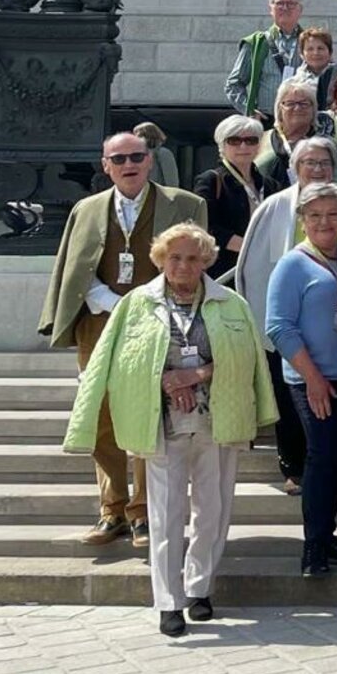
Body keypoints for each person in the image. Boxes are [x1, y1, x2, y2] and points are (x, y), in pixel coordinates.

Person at [63, 223, 275, 636]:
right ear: (160, 259)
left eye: (193, 258)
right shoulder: (136, 304)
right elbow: (117, 361)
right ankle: (168, 601)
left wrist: (196, 373)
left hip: (218, 420)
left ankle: (199, 589)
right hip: (161, 424)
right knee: (164, 515)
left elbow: (247, 360)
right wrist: (164, 379)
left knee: (212, 511)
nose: (183, 265)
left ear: (207, 262)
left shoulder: (230, 303)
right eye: (175, 257)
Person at [39, 132, 208, 545]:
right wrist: (105, 298)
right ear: (106, 165)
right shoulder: (87, 209)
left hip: (158, 322)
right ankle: (111, 510)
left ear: (150, 160)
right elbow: (73, 269)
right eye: (119, 158)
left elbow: (194, 265)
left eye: (136, 156)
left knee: (148, 414)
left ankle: (144, 514)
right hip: (97, 324)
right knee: (102, 416)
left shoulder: (186, 204)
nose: (128, 164)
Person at [263, 183, 337, 579]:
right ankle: (314, 547)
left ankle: (328, 531)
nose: (325, 222)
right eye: (315, 215)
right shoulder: (292, 264)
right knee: (323, 456)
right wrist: (314, 379)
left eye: (333, 214)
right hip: (312, 380)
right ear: (303, 221)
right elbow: (279, 327)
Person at [192, 114, 271, 281]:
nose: (243, 146)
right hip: (224, 272)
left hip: (264, 270)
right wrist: (249, 248)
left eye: (251, 140)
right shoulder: (211, 181)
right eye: (234, 140)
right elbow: (205, 226)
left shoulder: (269, 184)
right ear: (222, 145)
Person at [224, 0, 306, 120]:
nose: (285, 8)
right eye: (280, 3)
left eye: (291, 4)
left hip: (302, 120)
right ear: (271, 9)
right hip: (266, 119)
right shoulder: (256, 42)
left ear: (300, 9)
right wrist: (249, 110)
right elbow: (234, 84)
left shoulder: (311, 42)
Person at [255, 79, 322, 190]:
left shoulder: (325, 145)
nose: (297, 108)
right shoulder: (259, 139)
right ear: (279, 109)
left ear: (313, 109)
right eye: (290, 103)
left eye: (304, 104)